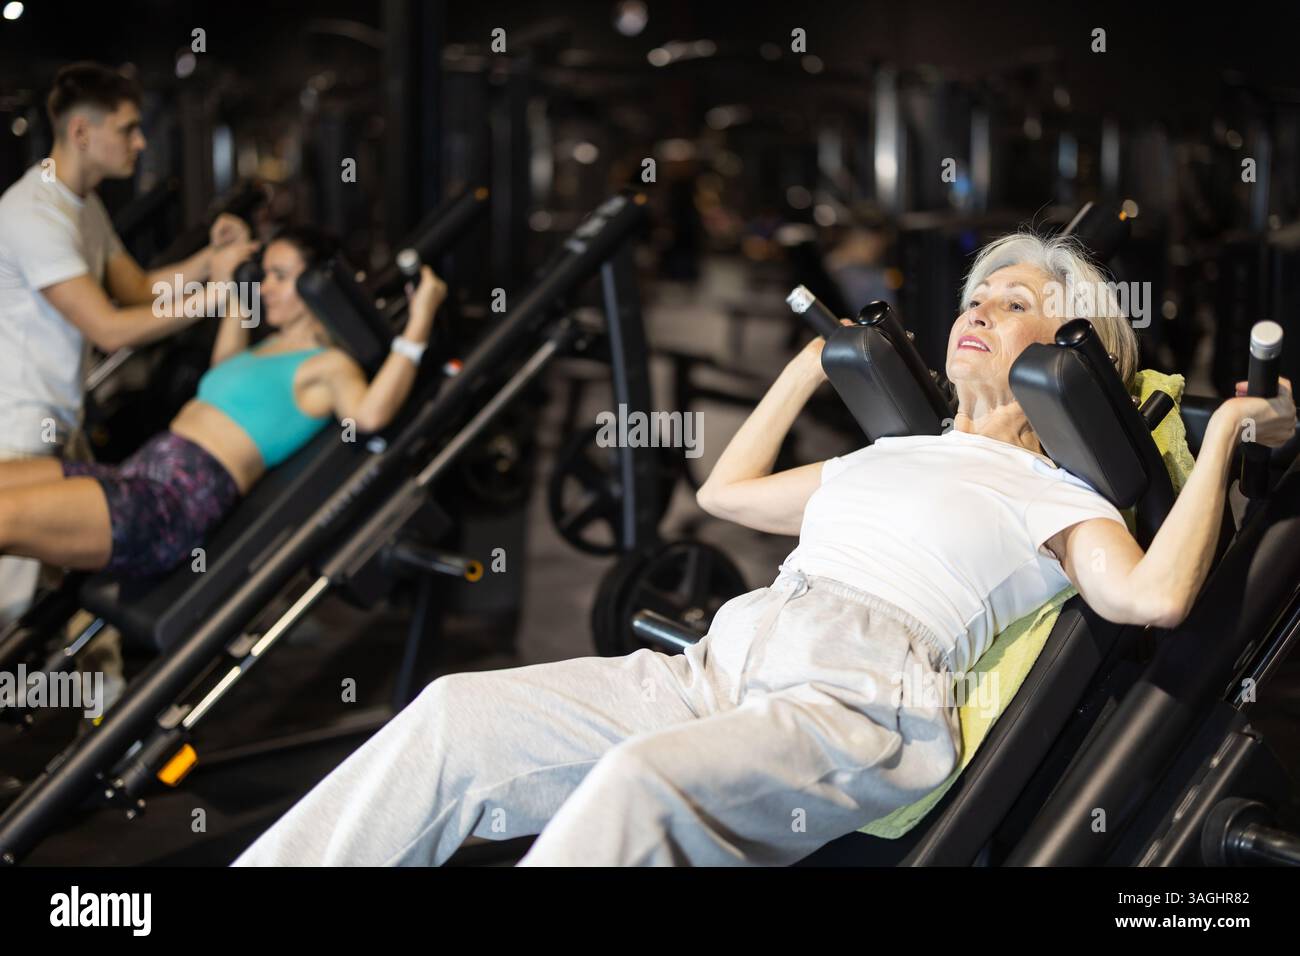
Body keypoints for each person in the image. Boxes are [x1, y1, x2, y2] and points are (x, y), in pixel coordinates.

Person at [232, 231, 1295, 867]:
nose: (978, 309)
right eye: (976, 294)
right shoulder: (897, 450)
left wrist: (1228, 436)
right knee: (455, 716)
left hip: (850, 707)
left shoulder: (1057, 491)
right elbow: (725, 490)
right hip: (715, 665)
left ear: (1070, 357)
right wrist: (811, 366)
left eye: (1016, 302)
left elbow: (1151, 597)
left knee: (635, 788)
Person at [0, 225, 447, 581]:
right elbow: (221, 371)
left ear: (317, 285)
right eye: (265, 273)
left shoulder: (326, 366)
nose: (267, 286)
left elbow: (370, 415)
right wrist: (239, 272)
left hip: (167, 507)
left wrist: (420, 320)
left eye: (281, 276)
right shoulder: (261, 349)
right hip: (132, 476)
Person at [0, 61, 253, 626]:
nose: (140, 142)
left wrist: (210, 263)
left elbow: (138, 289)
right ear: (83, 133)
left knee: (73, 605)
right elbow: (110, 328)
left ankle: (95, 707)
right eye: (128, 129)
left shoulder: (82, 205)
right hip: (14, 436)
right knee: (13, 612)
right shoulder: (34, 214)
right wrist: (215, 299)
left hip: (60, 428)